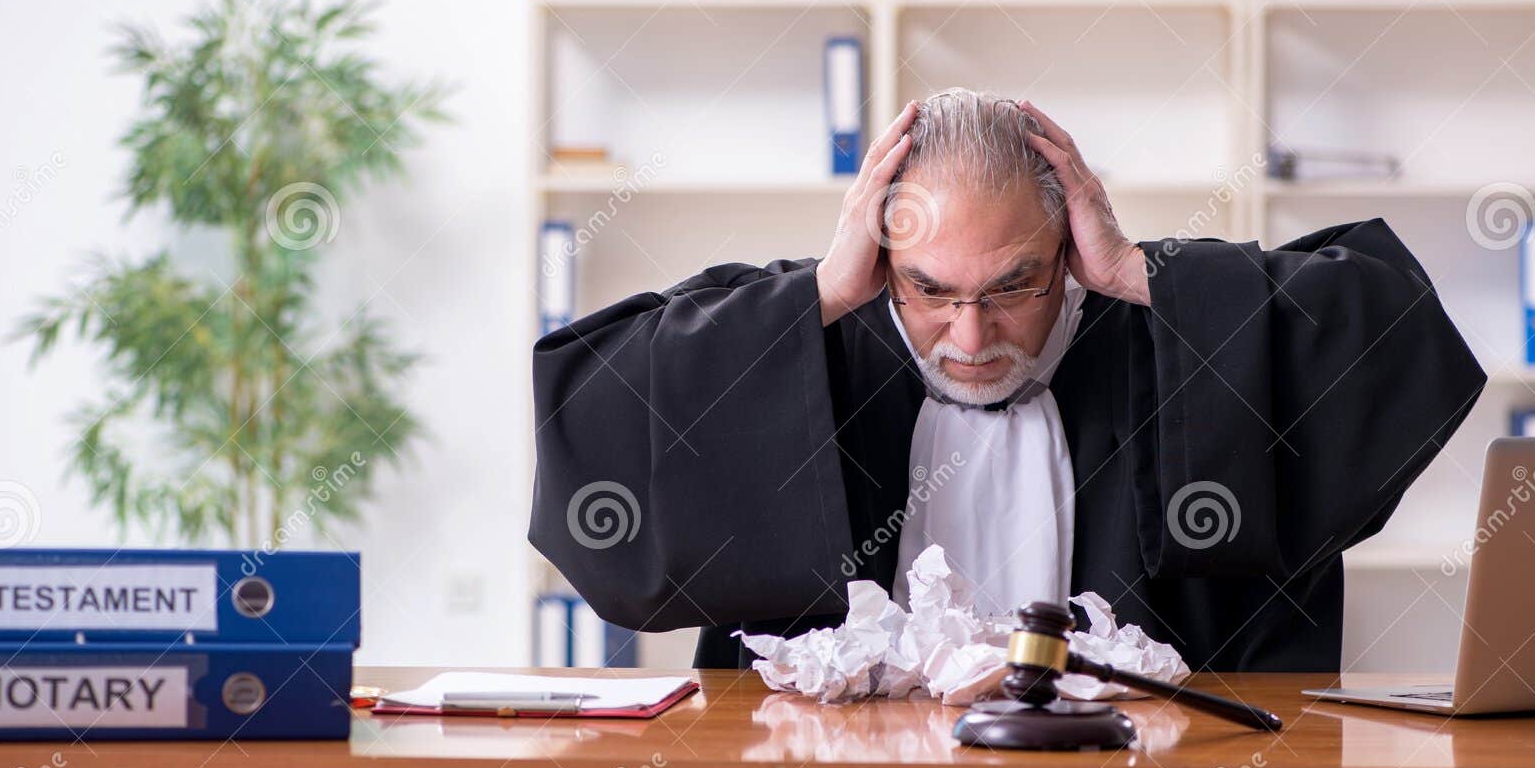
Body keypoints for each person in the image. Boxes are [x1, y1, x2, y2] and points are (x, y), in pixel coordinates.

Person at [529, 88, 1485, 671]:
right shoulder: (816, 335)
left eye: (1014, 285)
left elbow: (1399, 337)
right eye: (928, 290)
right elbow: (595, 410)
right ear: (880, 259)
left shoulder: (1153, 329)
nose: (971, 335)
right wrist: (818, 296)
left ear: (1068, 248)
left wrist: (1142, 272)